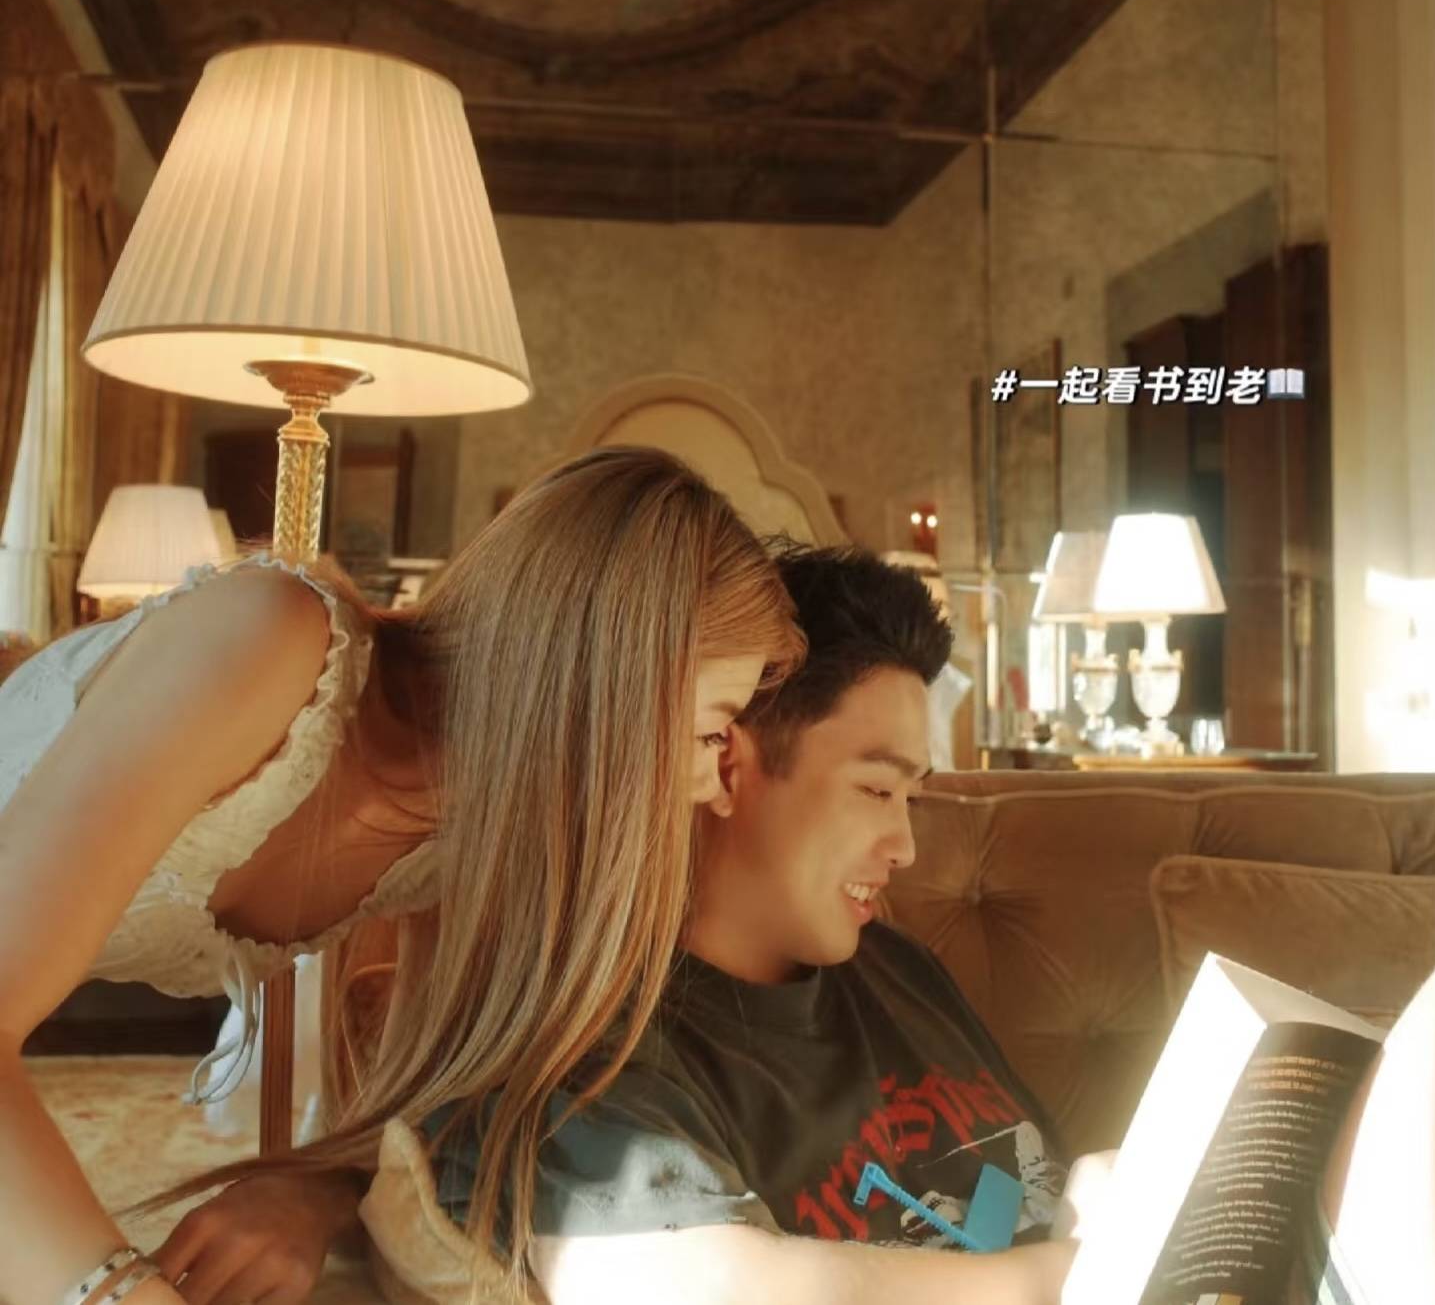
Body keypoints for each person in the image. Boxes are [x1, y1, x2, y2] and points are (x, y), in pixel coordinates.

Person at [0, 447, 804, 1305]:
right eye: (712, 731)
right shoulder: (267, 641)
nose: (714, 788)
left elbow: (412, 1090)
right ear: (600, 689)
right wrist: (116, 1290)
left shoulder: (464, 835)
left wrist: (311, 1190)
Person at [425, 544, 1081, 1305]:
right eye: (875, 790)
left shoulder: (899, 970)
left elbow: (1036, 1196)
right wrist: (1075, 1275)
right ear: (726, 765)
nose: (904, 847)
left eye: (911, 798)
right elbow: (710, 1291)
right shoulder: (587, 1054)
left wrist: (1102, 1196)